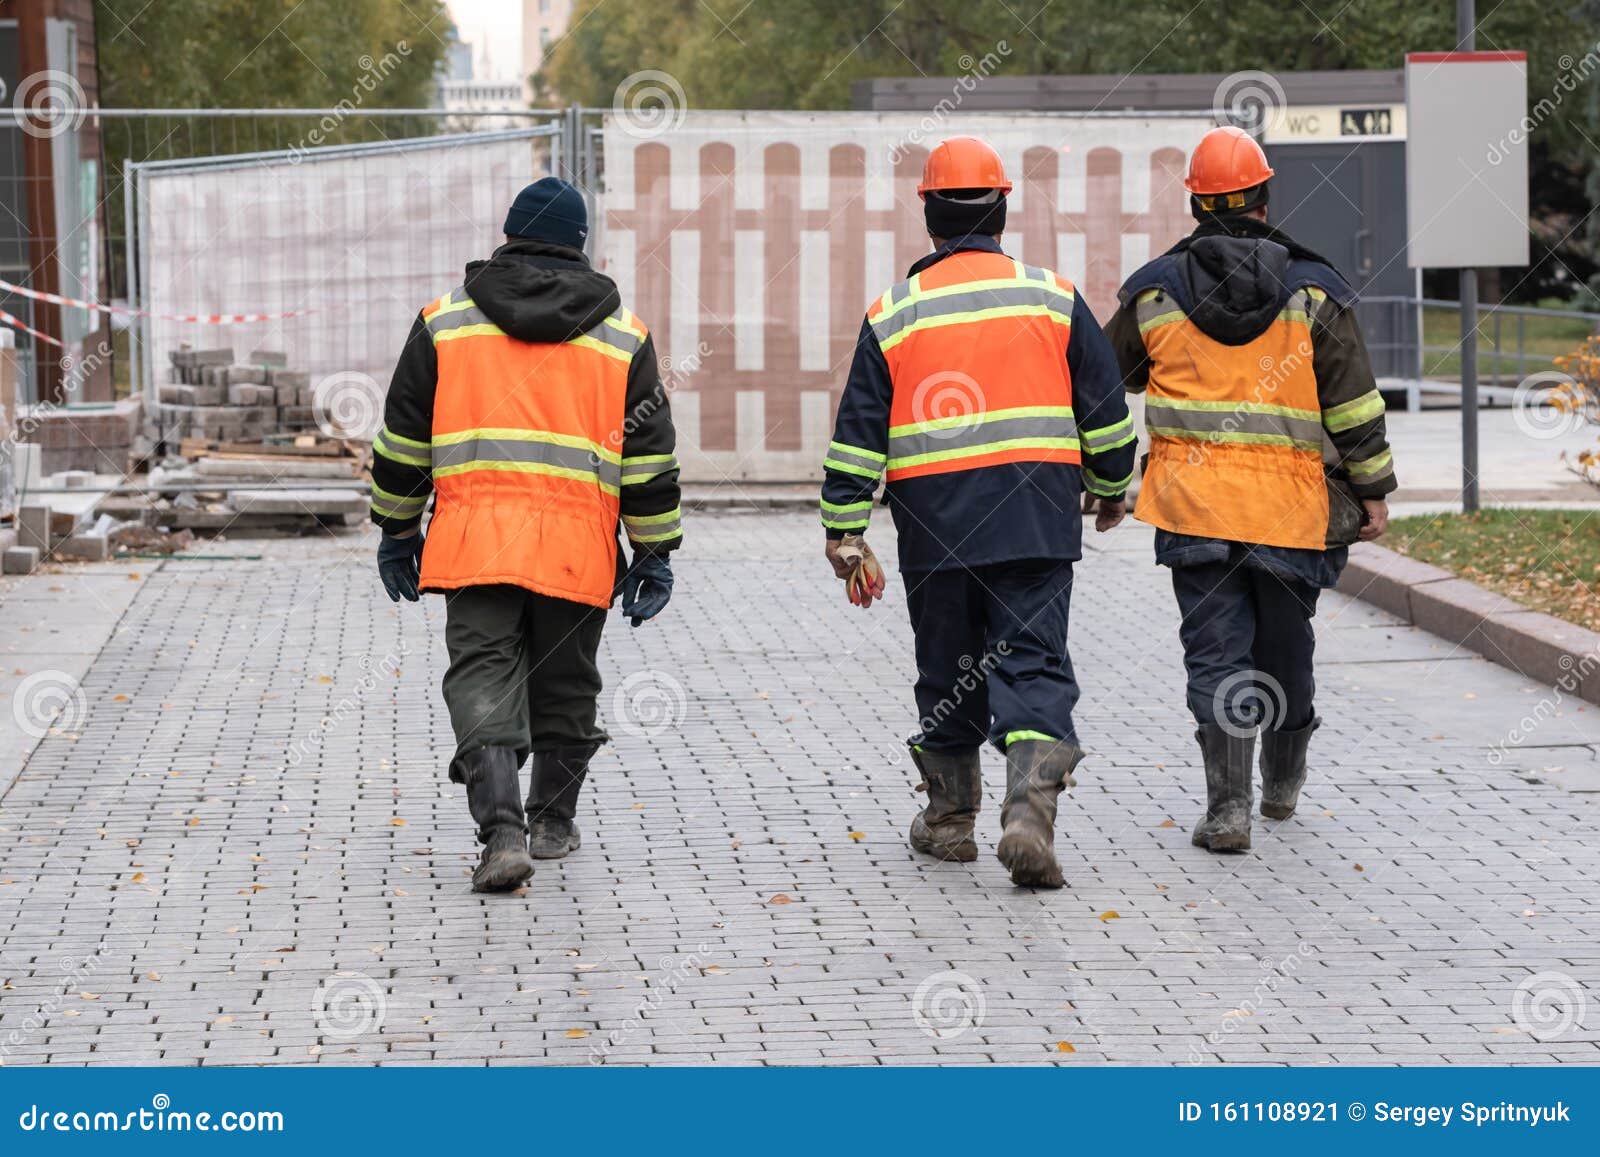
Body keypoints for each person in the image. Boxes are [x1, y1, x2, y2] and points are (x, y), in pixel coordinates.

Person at [820, 136, 1136, 888]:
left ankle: (950, 821)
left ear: (928, 214)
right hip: (1035, 521)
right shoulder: (1052, 296)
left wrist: (844, 528)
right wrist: (1111, 483)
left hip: (935, 529)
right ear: (1001, 209)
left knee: (950, 669)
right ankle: (1028, 811)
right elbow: (1106, 407)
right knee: (1032, 662)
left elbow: (859, 429)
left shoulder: (894, 312)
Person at [369, 177, 682, 892]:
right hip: (577, 548)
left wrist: (395, 528)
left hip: (474, 543)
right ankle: (551, 822)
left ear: (507, 236)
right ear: (580, 245)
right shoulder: (622, 335)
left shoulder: (445, 323)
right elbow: (650, 456)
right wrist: (654, 551)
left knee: (482, 672)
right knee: (566, 681)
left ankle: (500, 830)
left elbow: (403, 441)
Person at [1099, 125, 1396, 853]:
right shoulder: (1315, 290)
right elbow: (1353, 403)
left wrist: (1102, 475)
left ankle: (1227, 809)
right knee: (1286, 651)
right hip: (1290, 511)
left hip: (1193, 508)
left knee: (1215, 653)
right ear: (1264, 196)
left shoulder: (1153, 293)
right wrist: (1375, 489)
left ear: (1197, 203)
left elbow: (1105, 380)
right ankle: (1283, 784)